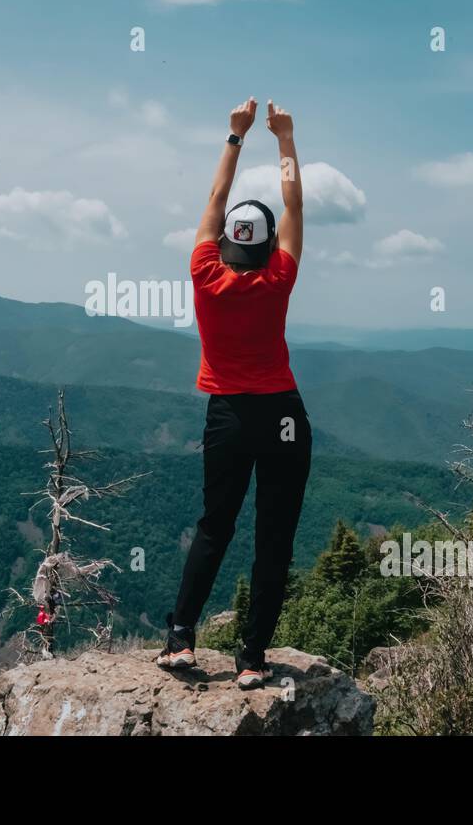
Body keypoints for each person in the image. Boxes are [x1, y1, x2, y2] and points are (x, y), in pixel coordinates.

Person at [157, 97, 311, 690]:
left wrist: (234, 135)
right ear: (269, 246)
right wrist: (286, 138)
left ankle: (180, 639)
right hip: (283, 419)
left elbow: (214, 203)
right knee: (274, 537)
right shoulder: (278, 277)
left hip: (227, 417)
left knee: (213, 527)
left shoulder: (204, 272)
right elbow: (294, 203)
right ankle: (251, 658)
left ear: (225, 243)